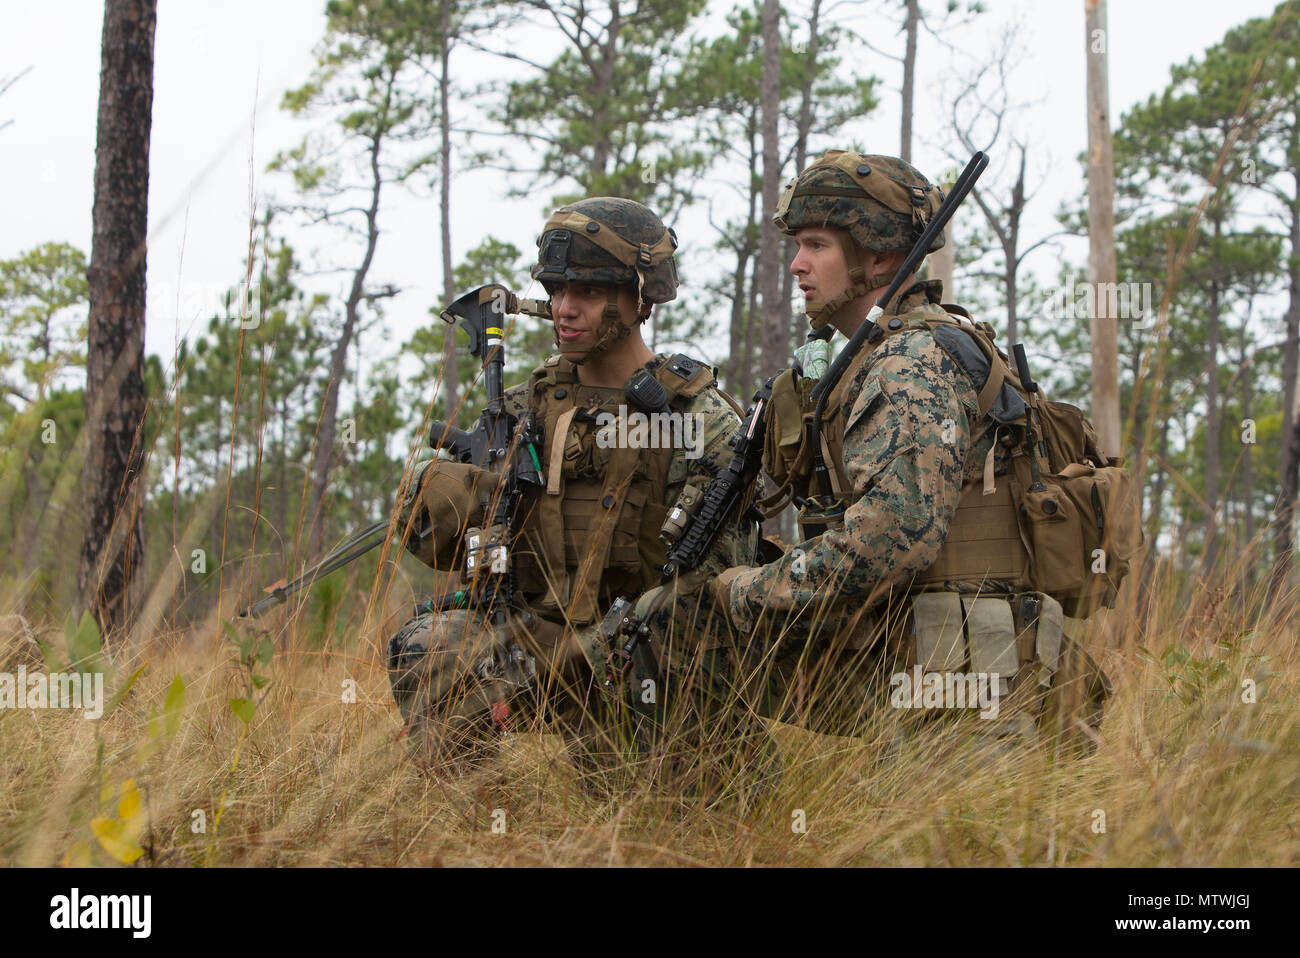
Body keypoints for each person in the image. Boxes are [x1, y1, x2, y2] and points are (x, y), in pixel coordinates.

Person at [695, 150, 1116, 755]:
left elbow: (895, 536)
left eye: (817, 245)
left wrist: (745, 590)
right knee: (682, 630)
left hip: (965, 674)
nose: (797, 265)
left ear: (882, 257)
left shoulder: (909, 362)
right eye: (797, 245)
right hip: (949, 653)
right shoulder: (895, 349)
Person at [386, 197, 762, 792]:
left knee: (640, 817)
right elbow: (424, 536)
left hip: (644, 655)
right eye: (556, 288)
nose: (564, 307)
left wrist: (598, 645)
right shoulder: (521, 407)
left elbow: (712, 585)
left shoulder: (697, 417)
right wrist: (443, 490)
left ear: (640, 296)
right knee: (429, 647)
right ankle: (472, 825)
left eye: (587, 291)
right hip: (536, 643)